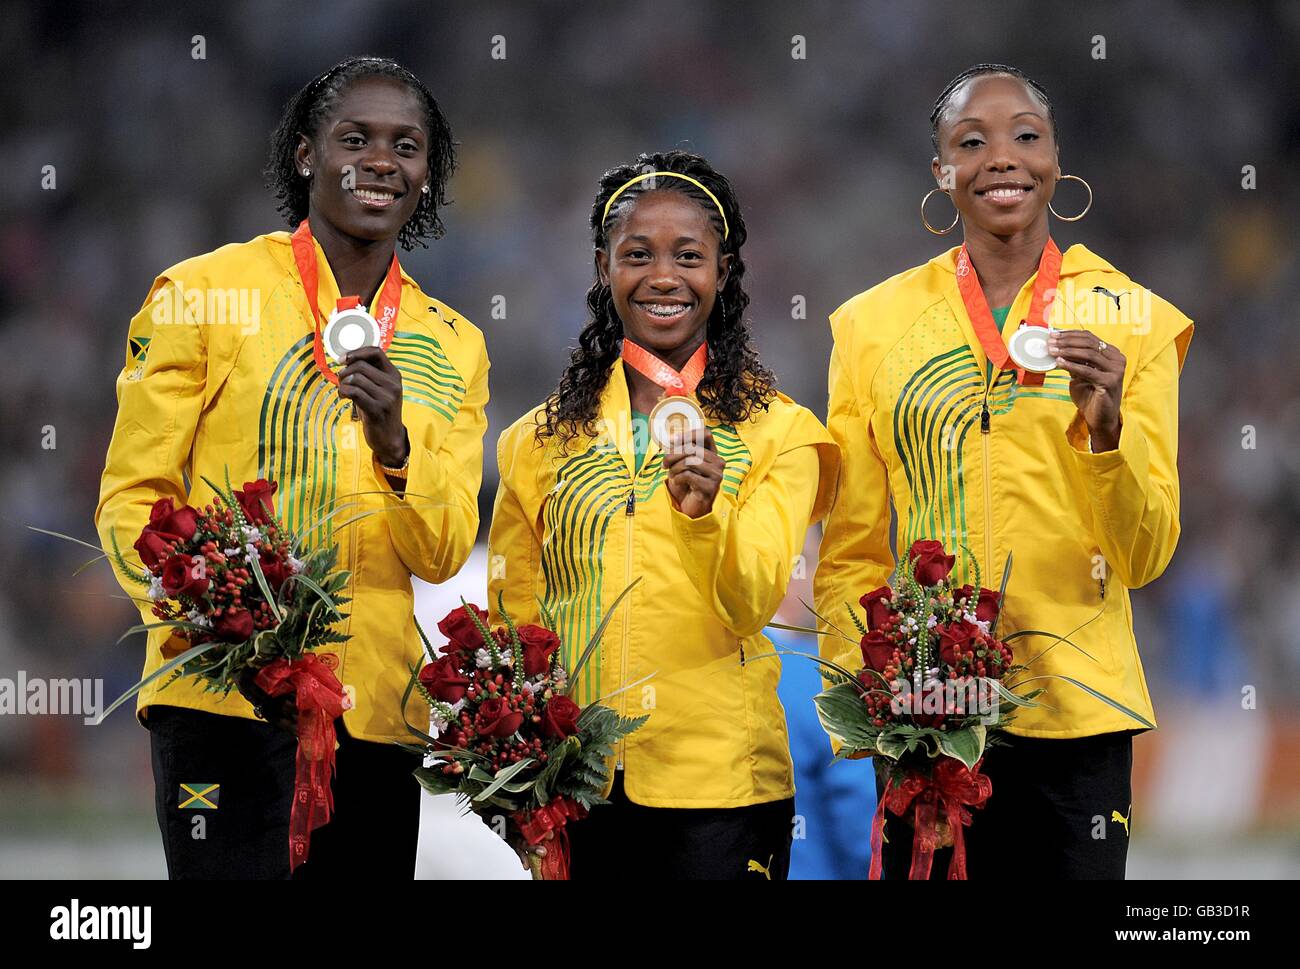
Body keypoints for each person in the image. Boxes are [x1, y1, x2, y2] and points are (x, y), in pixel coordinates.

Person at [94, 56, 489, 879]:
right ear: (307, 154)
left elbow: (444, 550)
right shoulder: (205, 292)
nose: (382, 160)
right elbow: (135, 497)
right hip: (225, 699)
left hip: (374, 715)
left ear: (428, 173)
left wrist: (395, 445)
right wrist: (220, 620)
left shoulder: (455, 343)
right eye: (356, 138)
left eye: (407, 145)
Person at [814, 64, 1194, 879]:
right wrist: (870, 697)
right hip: (928, 711)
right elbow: (849, 546)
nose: (1002, 158)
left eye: (1026, 135)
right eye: (971, 141)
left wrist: (1108, 435)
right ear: (941, 172)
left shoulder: (1128, 315)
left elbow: (1147, 552)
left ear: (1057, 156)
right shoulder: (873, 326)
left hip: (1078, 712)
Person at [488, 150, 838, 879]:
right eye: (637, 254)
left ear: (725, 270)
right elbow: (513, 625)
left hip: (720, 787)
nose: (664, 276)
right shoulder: (535, 440)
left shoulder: (784, 432)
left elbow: (751, 603)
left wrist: (705, 515)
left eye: (689, 255)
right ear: (602, 266)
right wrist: (513, 770)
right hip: (576, 785)